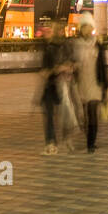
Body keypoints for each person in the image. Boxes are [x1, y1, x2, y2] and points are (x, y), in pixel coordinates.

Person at [70, 13, 108, 153]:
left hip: (95, 83)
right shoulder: (75, 45)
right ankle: (88, 135)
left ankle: (91, 143)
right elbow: (70, 63)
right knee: (84, 115)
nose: (87, 30)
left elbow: (103, 66)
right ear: (81, 28)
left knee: (93, 112)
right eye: (84, 27)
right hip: (81, 83)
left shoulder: (98, 44)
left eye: (89, 27)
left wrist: (106, 86)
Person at [37, 22, 68, 155]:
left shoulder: (54, 48)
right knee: (51, 116)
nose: (47, 33)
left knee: (52, 116)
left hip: (54, 86)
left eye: (50, 31)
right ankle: (53, 143)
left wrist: (52, 70)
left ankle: (52, 143)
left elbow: (48, 69)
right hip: (51, 87)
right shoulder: (50, 47)